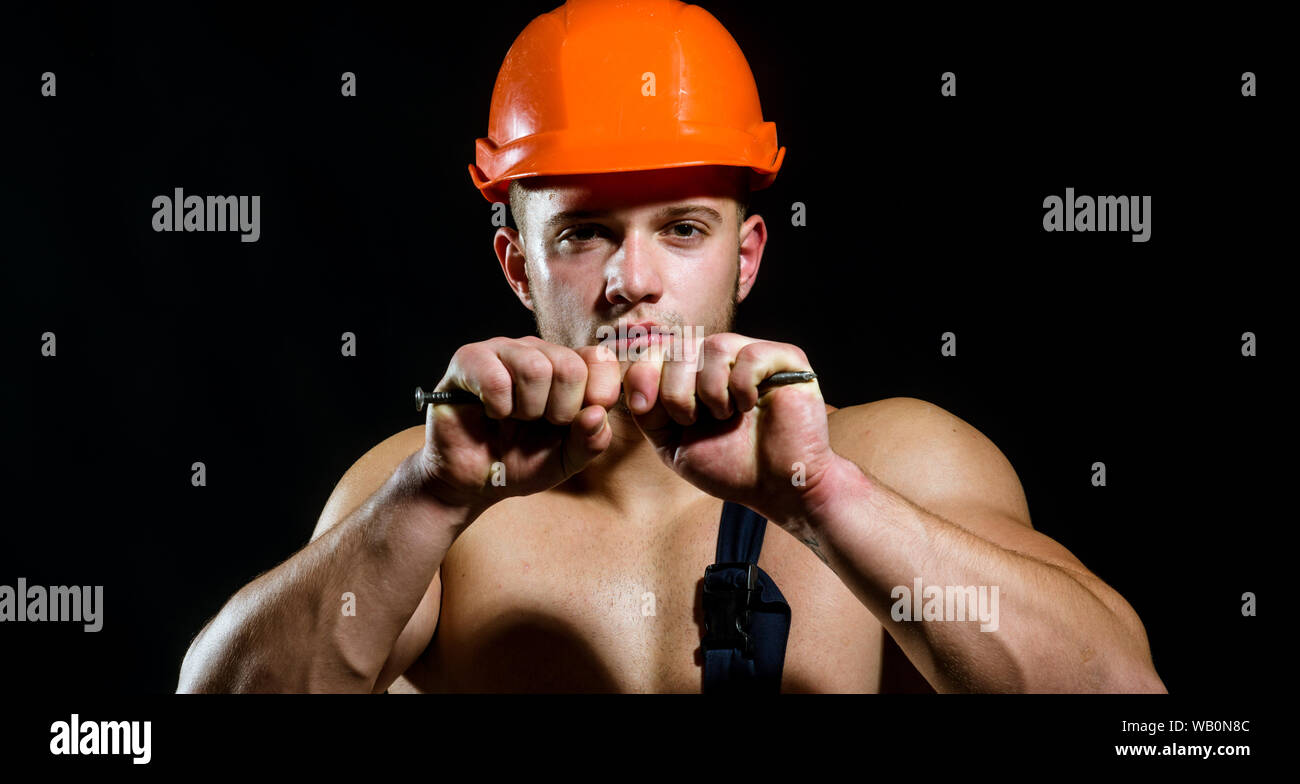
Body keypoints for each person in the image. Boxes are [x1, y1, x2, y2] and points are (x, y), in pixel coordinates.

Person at [178, 0, 1165, 693]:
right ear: (518, 268)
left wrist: (822, 497)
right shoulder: (425, 494)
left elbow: (1128, 702)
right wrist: (426, 501)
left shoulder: (898, 460)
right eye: (584, 232)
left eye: (683, 229)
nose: (632, 278)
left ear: (747, 254)